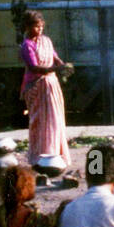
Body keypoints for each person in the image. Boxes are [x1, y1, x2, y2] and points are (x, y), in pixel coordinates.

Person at [19, 10, 71, 169]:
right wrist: (56, 69)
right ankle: (39, 158)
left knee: (55, 120)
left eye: (41, 26)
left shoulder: (46, 41)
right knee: (40, 123)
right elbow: (34, 67)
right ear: (28, 27)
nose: (39, 29)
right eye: (36, 26)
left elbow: (55, 57)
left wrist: (63, 65)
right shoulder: (26, 46)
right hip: (36, 86)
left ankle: (56, 155)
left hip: (51, 85)